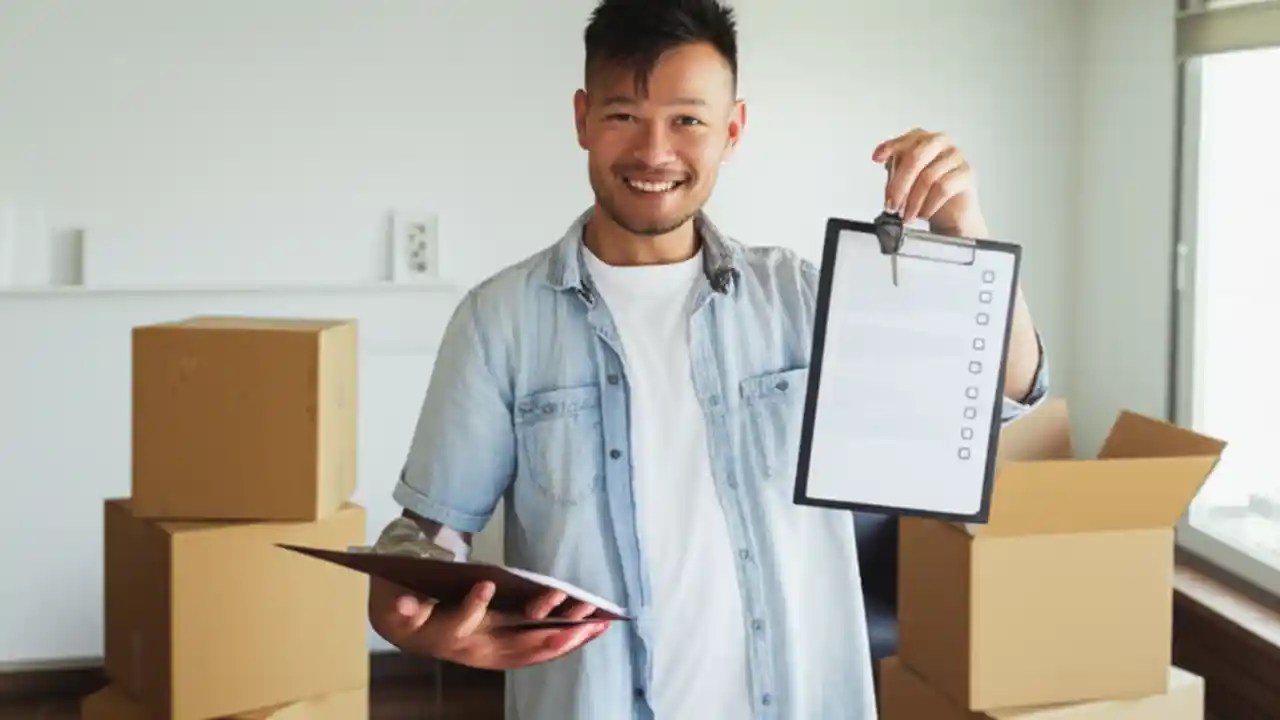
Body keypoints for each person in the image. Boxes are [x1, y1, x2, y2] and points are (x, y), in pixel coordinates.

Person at [368, 0, 1048, 718]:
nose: (654, 152)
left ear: (733, 130)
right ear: (581, 119)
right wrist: (407, 603)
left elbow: (1000, 397)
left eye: (687, 119)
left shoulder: (801, 299)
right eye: (624, 115)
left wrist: (966, 232)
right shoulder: (498, 320)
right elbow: (432, 530)